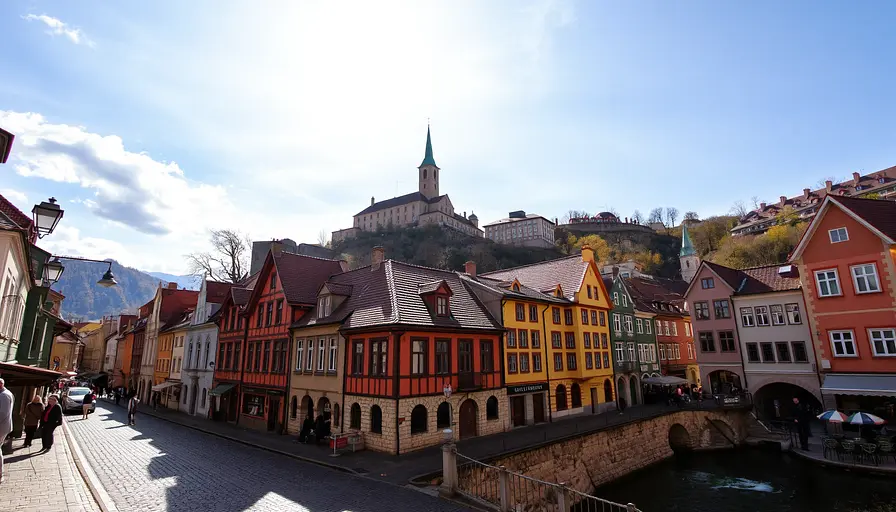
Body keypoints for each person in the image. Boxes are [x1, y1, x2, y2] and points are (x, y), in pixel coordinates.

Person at [0, 378, 14, 482]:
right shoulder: (6, 393)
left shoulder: (4, 395)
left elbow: (2, 413)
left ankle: (0, 474)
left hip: (1, 426)